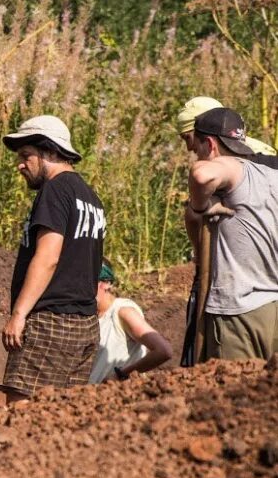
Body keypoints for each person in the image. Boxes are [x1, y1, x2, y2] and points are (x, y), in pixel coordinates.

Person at [1, 115, 106, 394]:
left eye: (26, 155)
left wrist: (19, 314)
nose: (20, 165)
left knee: (23, 414)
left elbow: (48, 257)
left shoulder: (54, 190)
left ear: (49, 151)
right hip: (85, 325)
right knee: (57, 420)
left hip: (49, 323)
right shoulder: (90, 196)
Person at [175, 97, 278, 365]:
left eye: (195, 146)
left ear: (210, 144)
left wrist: (200, 206)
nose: (194, 153)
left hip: (239, 310)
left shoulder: (229, 166)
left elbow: (201, 175)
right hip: (272, 304)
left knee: (230, 398)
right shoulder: (270, 174)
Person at [89, 261, 172, 383]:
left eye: (89, 282)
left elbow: (163, 351)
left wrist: (121, 374)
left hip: (114, 397)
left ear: (106, 283)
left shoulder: (123, 312)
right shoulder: (87, 317)